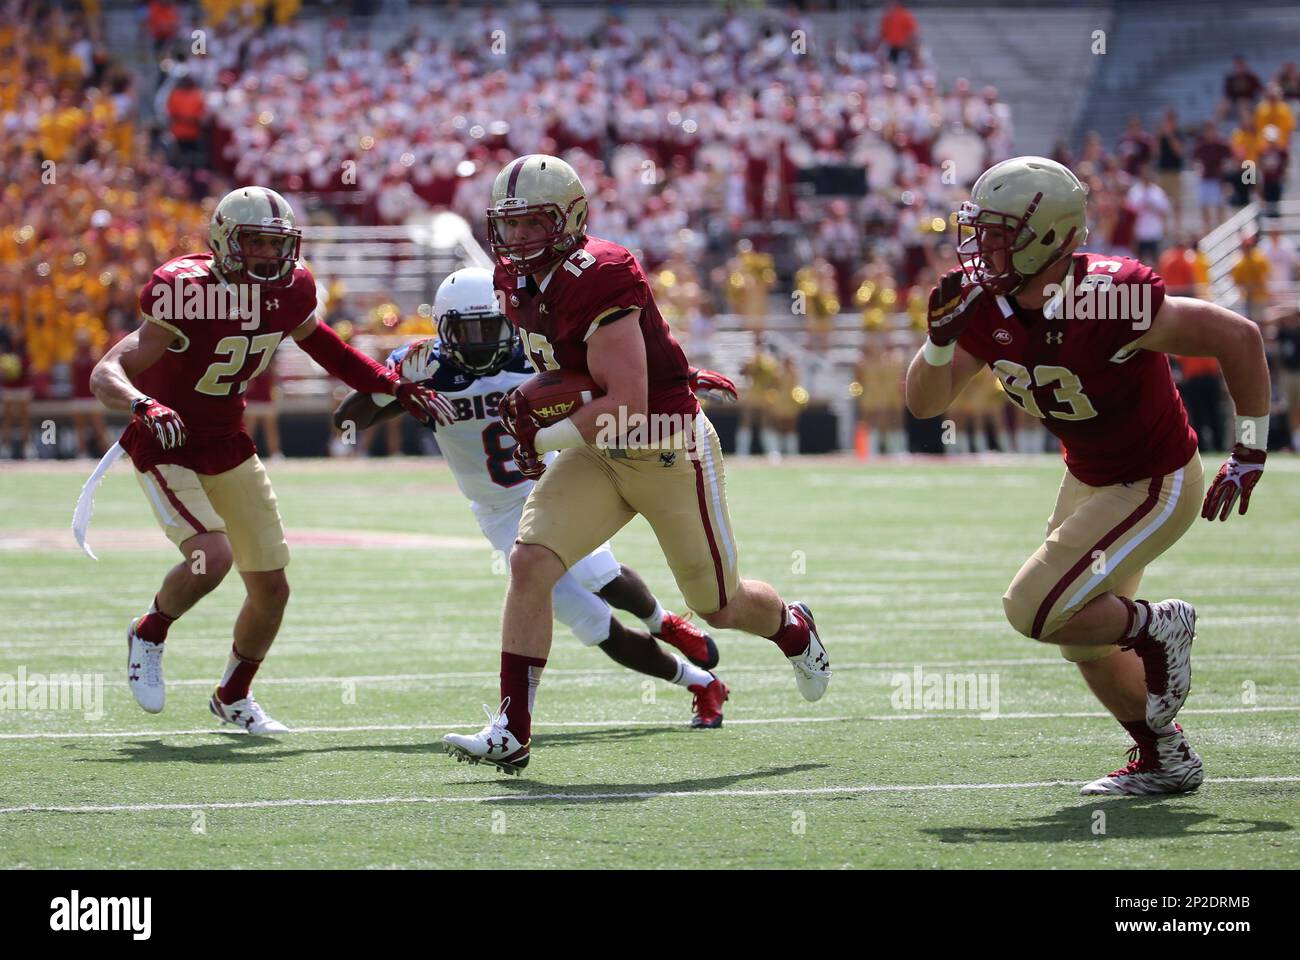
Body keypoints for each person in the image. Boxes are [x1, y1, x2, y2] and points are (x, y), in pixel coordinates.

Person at [441, 155, 831, 773]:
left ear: (568, 220)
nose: (517, 239)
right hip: (599, 449)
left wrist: (540, 438)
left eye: (532, 224)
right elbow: (582, 365)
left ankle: (791, 627)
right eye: (508, 225)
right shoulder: (511, 282)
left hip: (663, 445)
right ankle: (511, 728)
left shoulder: (601, 270)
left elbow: (628, 399)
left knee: (718, 605)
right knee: (531, 561)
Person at [905, 156, 1271, 795]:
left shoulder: (1112, 295)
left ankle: (1160, 627)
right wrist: (937, 343)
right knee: (1081, 635)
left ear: (1047, 236)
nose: (982, 246)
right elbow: (924, 404)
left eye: (1000, 233)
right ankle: (1165, 758)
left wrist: (1249, 450)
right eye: (980, 229)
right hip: (1089, 477)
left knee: (1034, 607)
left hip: (1154, 479)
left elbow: (1236, 337)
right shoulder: (988, 303)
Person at [88, 186, 453, 733]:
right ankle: (150, 630)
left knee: (272, 588)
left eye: (277, 243)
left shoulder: (291, 287)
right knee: (211, 558)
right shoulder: (184, 291)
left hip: (227, 439)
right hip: (167, 441)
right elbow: (107, 371)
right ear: (227, 243)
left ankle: (232, 695)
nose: (269, 254)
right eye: (256, 241)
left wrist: (390, 384)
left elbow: (325, 346)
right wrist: (144, 403)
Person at [333, 268, 732, 728]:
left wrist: (685, 376)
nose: (483, 341)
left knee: (602, 574)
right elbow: (346, 421)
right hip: (499, 513)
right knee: (593, 626)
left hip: (549, 484)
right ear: (443, 329)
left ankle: (664, 621)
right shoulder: (425, 367)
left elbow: (620, 372)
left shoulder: (533, 356)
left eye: (491, 327)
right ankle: (700, 683)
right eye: (469, 330)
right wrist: (393, 385)